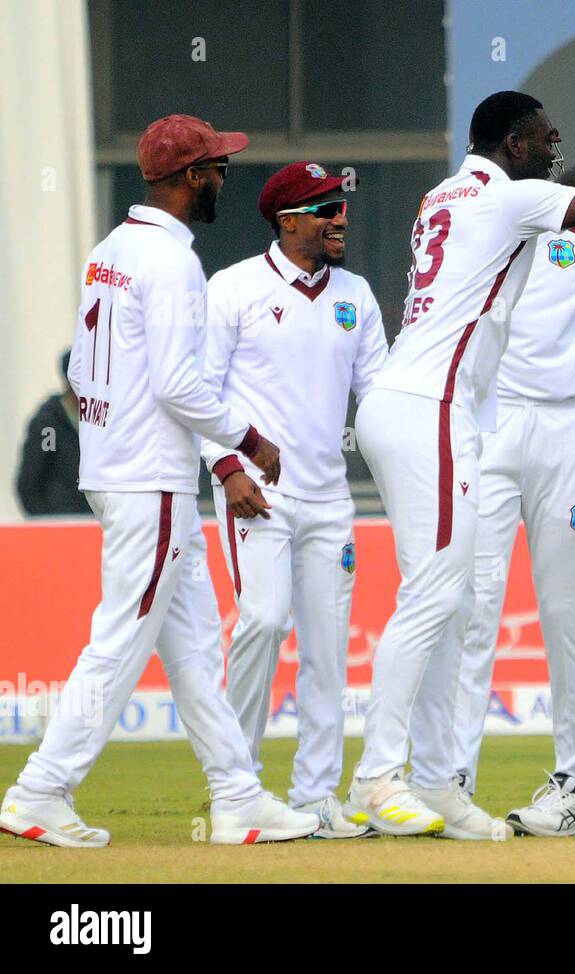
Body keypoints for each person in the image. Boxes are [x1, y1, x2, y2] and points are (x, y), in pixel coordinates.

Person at [344, 56, 575, 839]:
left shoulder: (454, 194)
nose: (558, 144)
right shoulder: (506, 201)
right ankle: (380, 778)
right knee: (439, 597)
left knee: (449, 596)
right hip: (434, 409)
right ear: (513, 145)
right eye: (544, 137)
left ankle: (436, 785)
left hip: (425, 408)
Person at [0, 114, 318, 847]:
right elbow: (179, 386)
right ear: (187, 178)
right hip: (151, 478)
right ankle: (39, 790)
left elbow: (82, 372)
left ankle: (237, 796)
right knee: (119, 638)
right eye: (214, 168)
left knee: (194, 648)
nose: (222, 178)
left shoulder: (110, 250)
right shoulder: (171, 263)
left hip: (121, 470)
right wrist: (248, 439)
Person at [417, 220, 575, 839]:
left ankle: (571, 791)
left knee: (566, 613)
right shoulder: (493, 216)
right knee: (470, 607)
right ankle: (452, 783)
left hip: (566, 431)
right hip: (489, 422)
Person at [201, 162, 389, 839]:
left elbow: (379, 400)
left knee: (328, 654)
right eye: (324, 209)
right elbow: (200, 392)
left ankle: (314, 796)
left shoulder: (357, 296)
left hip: (330, 501)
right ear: (286, 221)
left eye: (341, 205)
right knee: (261, 621)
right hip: (258, 497)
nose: (340, 218)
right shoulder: (234, 288)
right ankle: (237, 784)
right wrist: (227, 468)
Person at [16, 349, 91, 516]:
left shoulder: (100, 421)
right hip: (60, 525)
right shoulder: (48, 426)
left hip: (96, 524)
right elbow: (29, 483)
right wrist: (46, 523)